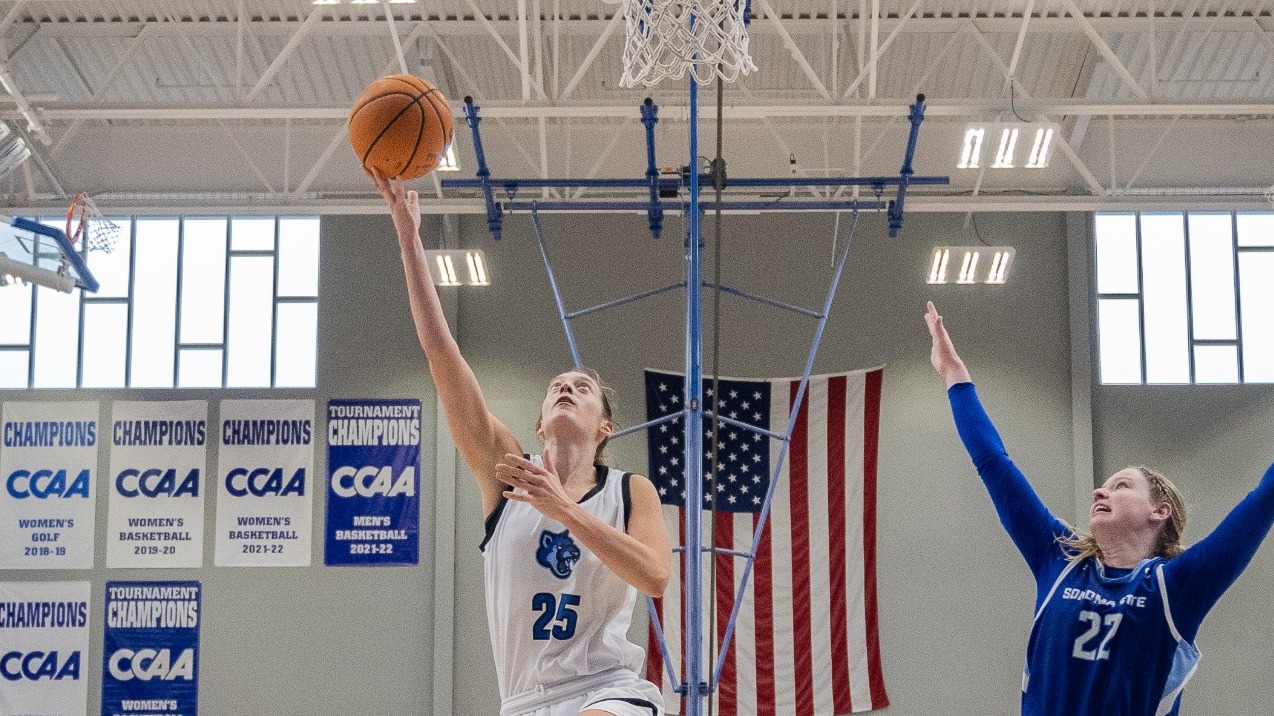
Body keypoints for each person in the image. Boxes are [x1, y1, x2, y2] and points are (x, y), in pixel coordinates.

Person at [372, 167, 672, 716]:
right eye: (556, 386)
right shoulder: (507, 473)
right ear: (538, 424)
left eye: (582, 388)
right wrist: (409, 241)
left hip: (607, 689)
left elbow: (654, 578)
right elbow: (442, 357)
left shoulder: (631, 491)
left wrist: (565, 509)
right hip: (523, 702)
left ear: (605, 426)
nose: (566, 388)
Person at [924, 300, 1274, 716]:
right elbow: (993, 464)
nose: (1099, 492)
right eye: (1103, 486)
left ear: (1160, 511)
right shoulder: (1060, 559)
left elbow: (1262, 501)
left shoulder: (1177, 586)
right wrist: (954, 373)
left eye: (1120, 486)